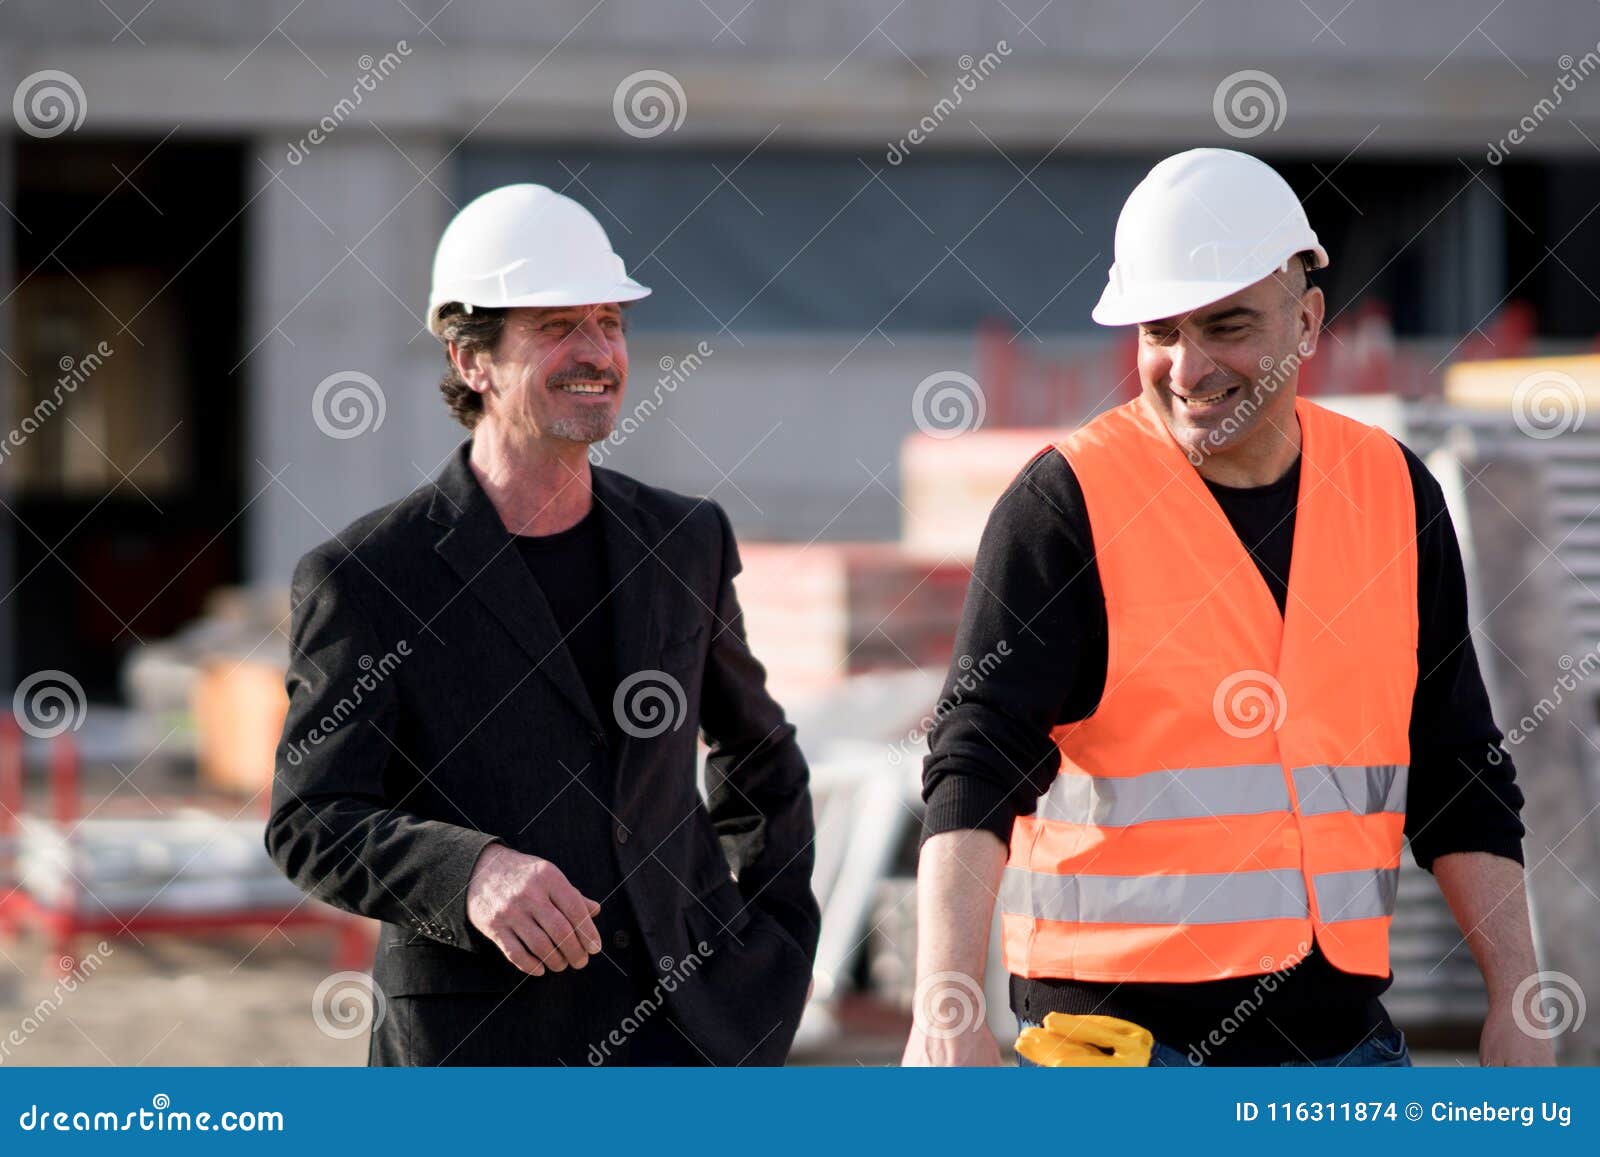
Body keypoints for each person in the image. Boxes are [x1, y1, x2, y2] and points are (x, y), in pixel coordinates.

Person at [902, 149, 1551, 1068]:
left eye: (1227, 326)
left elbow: (1458, 768)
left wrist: (1519, 999)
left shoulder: (1393, 493)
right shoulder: (1068, 505)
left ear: (1308, 317)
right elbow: (972, 763)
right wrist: (946, 1009)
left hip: (1347, 1054)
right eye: (1159, 331)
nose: (1188, 366)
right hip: (1121, 1059)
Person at [266, 183, 818, 1066]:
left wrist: (773, 949)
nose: (597, 350)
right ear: (471, 357)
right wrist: (470, 871)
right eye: (558, 326)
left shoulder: (685, 540)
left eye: (610, 321)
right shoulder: (368, 577)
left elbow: (758, 755)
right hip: (481, 1051)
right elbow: (311, 818)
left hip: (687, 1043)